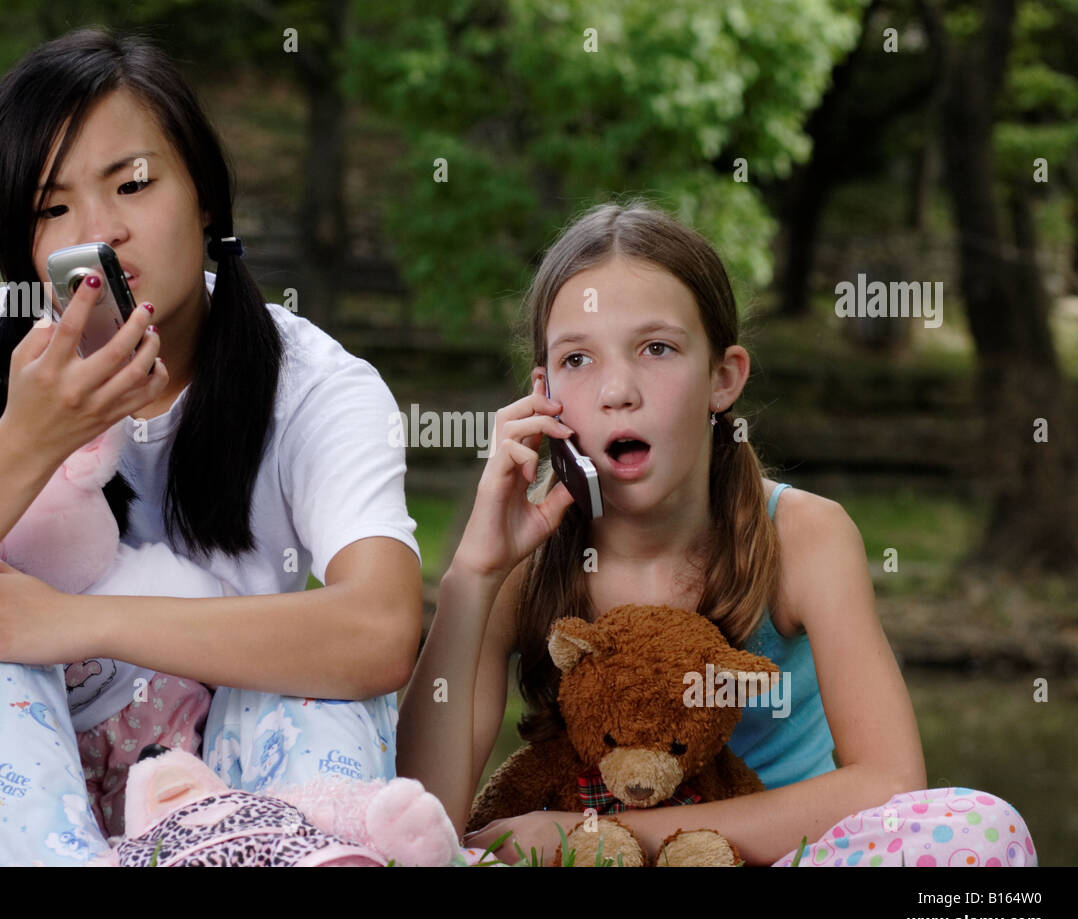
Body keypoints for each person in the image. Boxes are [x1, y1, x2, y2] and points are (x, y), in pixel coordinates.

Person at [0, 28, 421, 865]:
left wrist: (70, 622)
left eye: (133, 184)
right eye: (53, 209)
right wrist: (30, 440)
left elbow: (381, 629)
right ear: (22, 246)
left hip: (198, 790)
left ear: (205, 196)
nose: (101, 234)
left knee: (311, 679)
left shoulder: (314, 383)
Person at [397, 200, 1037, 867]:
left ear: (723, 377)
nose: (618, 389)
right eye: (579, 359)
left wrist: (600, 840)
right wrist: (472, 575)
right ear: (543, 392)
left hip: (771, 859)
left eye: (656, 349)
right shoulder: (521, 563)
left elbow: (891, 784)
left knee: (979, 827)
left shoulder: (804, 535)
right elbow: (421, 817)